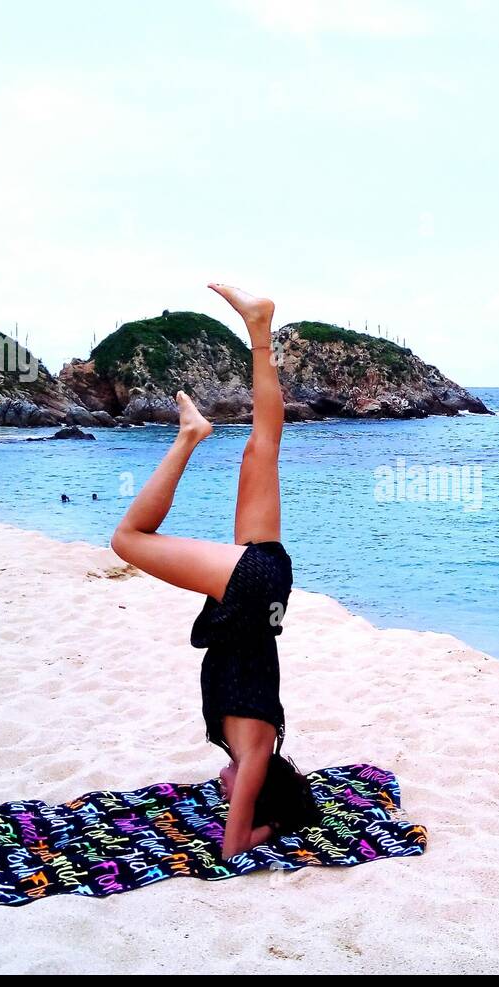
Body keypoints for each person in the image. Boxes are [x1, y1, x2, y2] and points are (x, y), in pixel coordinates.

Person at [110, 282, 317, 858]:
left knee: (263, 445)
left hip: (268, 580)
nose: (223, 792)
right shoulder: (255, 756)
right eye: (239, 798)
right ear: (259, 793)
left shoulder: (260, 741)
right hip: (253, 590)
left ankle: (259, 329)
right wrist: (268, 826)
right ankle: (190, 437)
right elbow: (233, 848)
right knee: (128, 540)